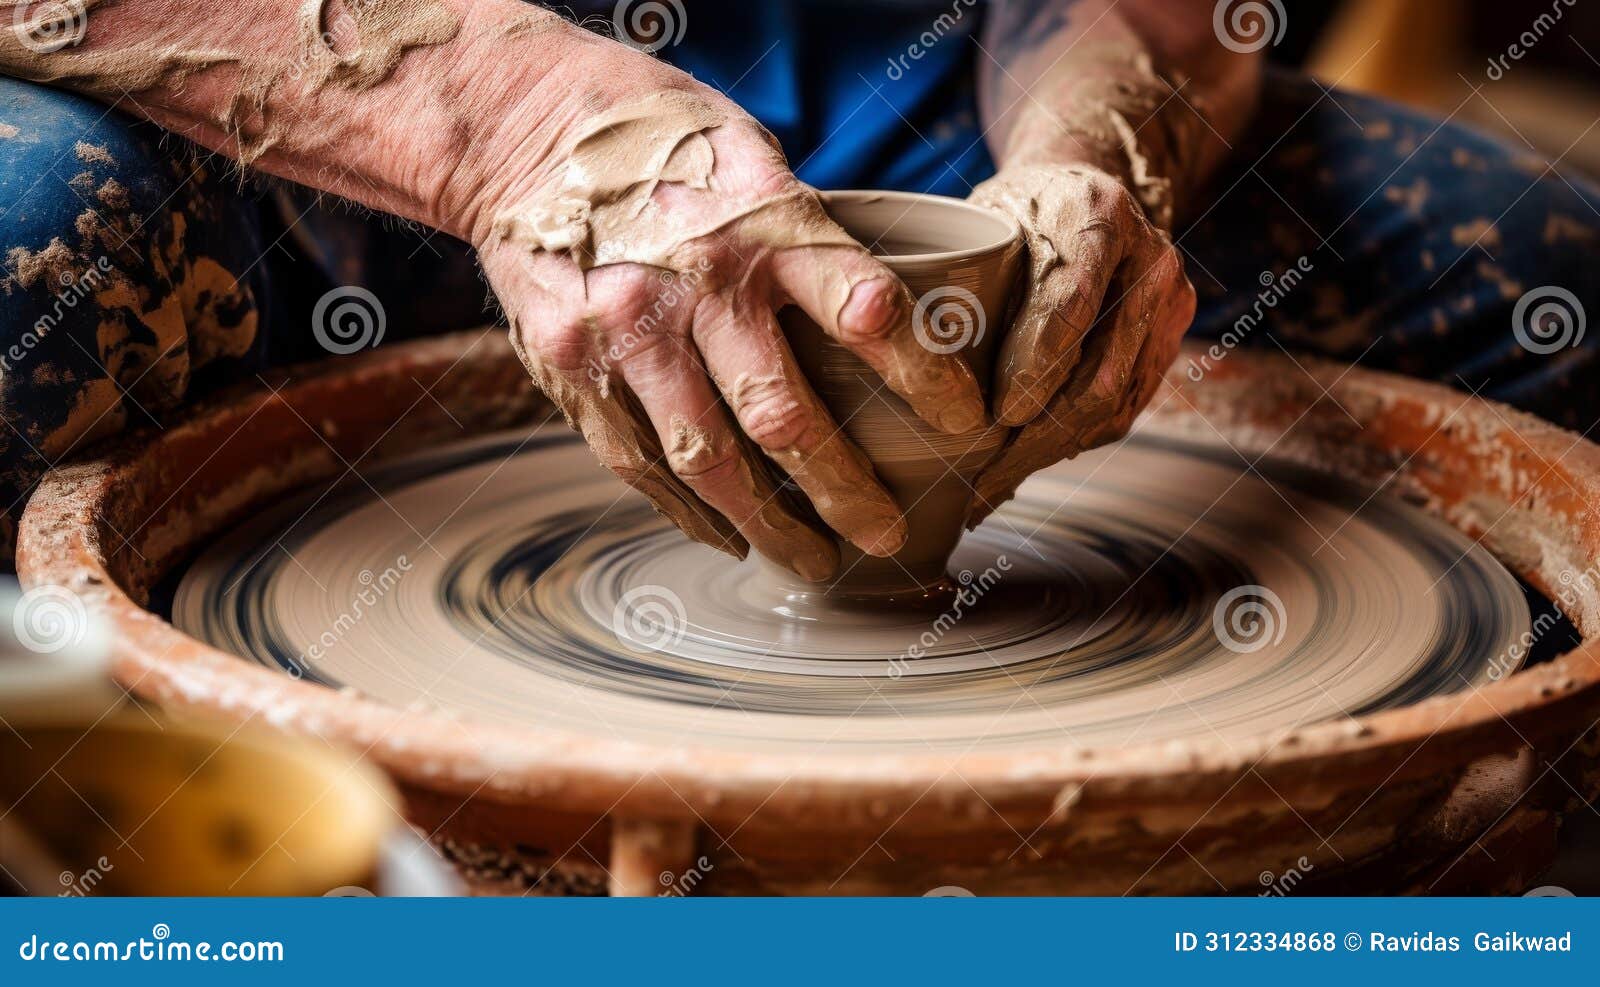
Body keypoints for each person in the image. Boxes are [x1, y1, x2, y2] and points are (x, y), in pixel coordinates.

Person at [1, 0, 1595, 575]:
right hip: (308, 154)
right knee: (25, 258)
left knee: (1554, 283)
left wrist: (1104, 143)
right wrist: (515, 126)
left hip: (934, 137)